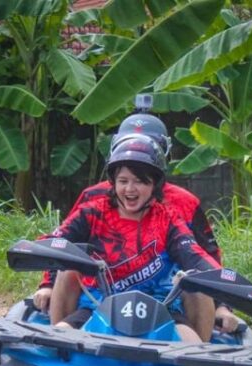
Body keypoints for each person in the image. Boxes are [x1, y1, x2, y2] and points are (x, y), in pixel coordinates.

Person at [33, 107, 238, 336]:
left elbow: (199, 256)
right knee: (69, 270)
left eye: (140, 180)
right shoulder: (92, 208)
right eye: (123, 180)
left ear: (155, 182)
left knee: (193, 277)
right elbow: (59, 243)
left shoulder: (172, 215)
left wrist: (225, 300)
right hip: (99, 302)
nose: (130, 189)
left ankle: (200, 352)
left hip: (161, 303)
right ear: (114, 179)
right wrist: (46, 283)